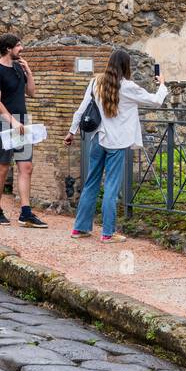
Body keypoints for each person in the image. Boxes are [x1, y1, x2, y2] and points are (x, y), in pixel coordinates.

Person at [65, 49, 169, 242]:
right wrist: (162, 84)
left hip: (97, 139)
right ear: (126, 66)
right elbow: (156, 101)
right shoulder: (128, 87)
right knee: (111, 187)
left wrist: (71, 132)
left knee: (91, 184)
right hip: (117, 142)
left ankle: (79, 229)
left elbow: (81, 110)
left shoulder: (96, 82)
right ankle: (107, 233)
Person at [0, 33, 46, 228]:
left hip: (22, 122)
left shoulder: (19, 68)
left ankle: (26, 213)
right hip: (6, 123)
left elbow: (31, 93)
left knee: (26, 167)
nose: (21, 49)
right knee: (3, 167)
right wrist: (12, 121)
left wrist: (29, 71)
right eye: (18, 46)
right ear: (8, 49)